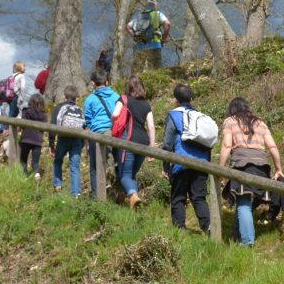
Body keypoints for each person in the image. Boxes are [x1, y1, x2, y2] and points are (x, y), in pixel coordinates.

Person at [218, 97, 284, 247]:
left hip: (242, 164)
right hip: (262, 165)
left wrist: (220, 170)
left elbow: (227, 146)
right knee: (245, 200)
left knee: (243, 203)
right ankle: (237, 232)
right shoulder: (260, 123)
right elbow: (273, 147)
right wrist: (278, 169)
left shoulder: (230, 121)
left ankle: (247, 241)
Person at [161, 83, 211, 231]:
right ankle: (208, 227)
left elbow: (168, 144)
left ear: (176, 99)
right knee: (199, 198)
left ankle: (179, 230)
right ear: (191, 98)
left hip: (181, 163)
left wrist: (166, 167)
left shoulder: (174, 115)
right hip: (201, 163)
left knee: (178, 198)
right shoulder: (200, 116)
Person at [110, 76, 155, 210]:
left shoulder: (123, 99)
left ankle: (133, 196)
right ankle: (131, 203)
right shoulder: (146, 104)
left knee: (125, 176)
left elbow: (114, 114)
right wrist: (152, 147)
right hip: (143, 142)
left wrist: (114, 126)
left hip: (128, 139)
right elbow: (151, 127)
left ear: (129, 87)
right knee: (131, 174)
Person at [84, 69, 119, 196]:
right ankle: (112, 188)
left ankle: (96, 195)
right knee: (111, 160)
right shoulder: (116, 96)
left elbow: (87, 119)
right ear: (107, 82)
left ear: (93, 83)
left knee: (94, 166)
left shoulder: (90, 99)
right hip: (112, 132)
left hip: (96, 133)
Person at [49, 85, 85, 196]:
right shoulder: (79, 110)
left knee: (58, 161)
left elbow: (52, 127)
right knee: (75, 167)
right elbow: (84, 127)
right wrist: (81, 144)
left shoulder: (58, 108)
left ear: (65, 96)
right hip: (76, 140)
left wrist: (51, 145)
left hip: (63, 139)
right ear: (76, 98)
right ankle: (76, 193)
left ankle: (58, 185)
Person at [129, 0, 170, 69]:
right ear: (155, 7)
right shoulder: (158, 14)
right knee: (155, 70)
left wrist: (134, 36)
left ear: (146, 6)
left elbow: (128, 27)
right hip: (155, 45)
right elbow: (167, 24)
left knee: (137, 71)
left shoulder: (139, 16)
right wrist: (164, 38)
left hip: (140, 46)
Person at [19, 93, 47, 178]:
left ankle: (24, 176)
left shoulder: (26, 111)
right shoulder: (43, 115)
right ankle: (37, 174)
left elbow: (22, 124)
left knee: (23, 160)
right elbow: (44, 127)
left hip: (26, 138)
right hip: (37, 141)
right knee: (35, 162)